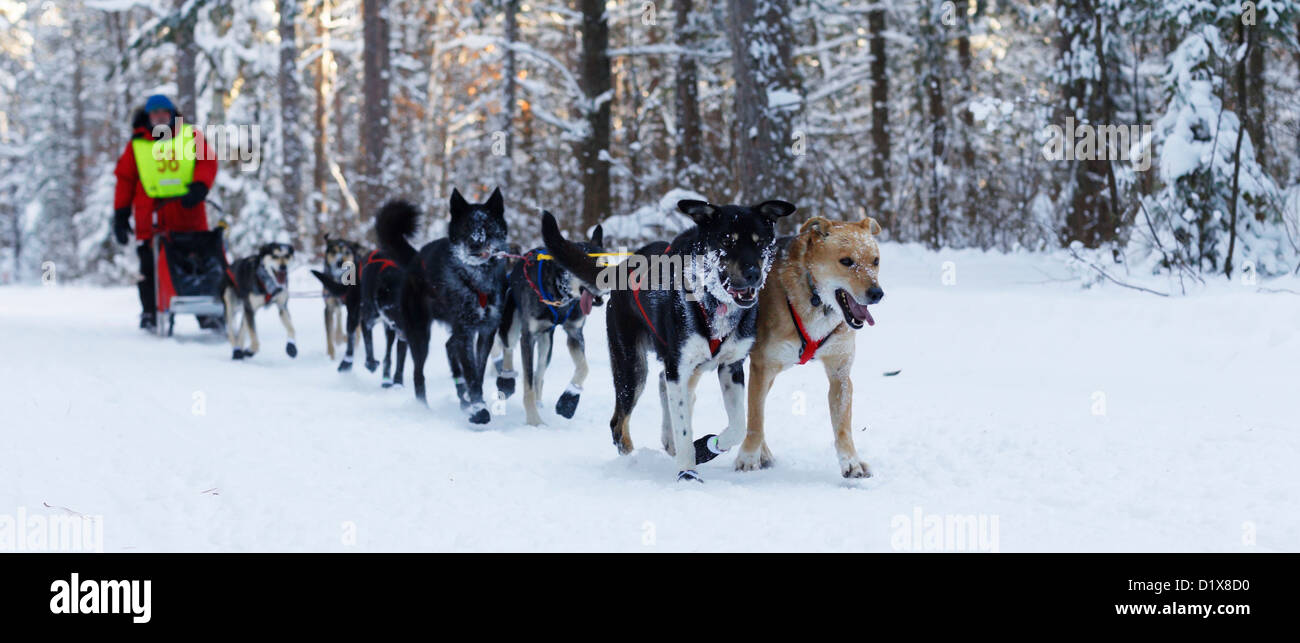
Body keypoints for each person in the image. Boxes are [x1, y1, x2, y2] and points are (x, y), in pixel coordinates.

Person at [112, 94, 219, 330]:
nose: (160, 117)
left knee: (197, 266)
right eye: (155, 114)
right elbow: (125, 180)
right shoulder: (137, 144)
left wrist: (200, 186)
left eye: (164, 113)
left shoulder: (190, 135)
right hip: (151, 217)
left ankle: (206, 314)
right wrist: (120, 214)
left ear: (172, 115)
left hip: (188, 214)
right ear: (148, 116)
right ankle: (151, 312)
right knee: (149, 269)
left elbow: (207, 162)